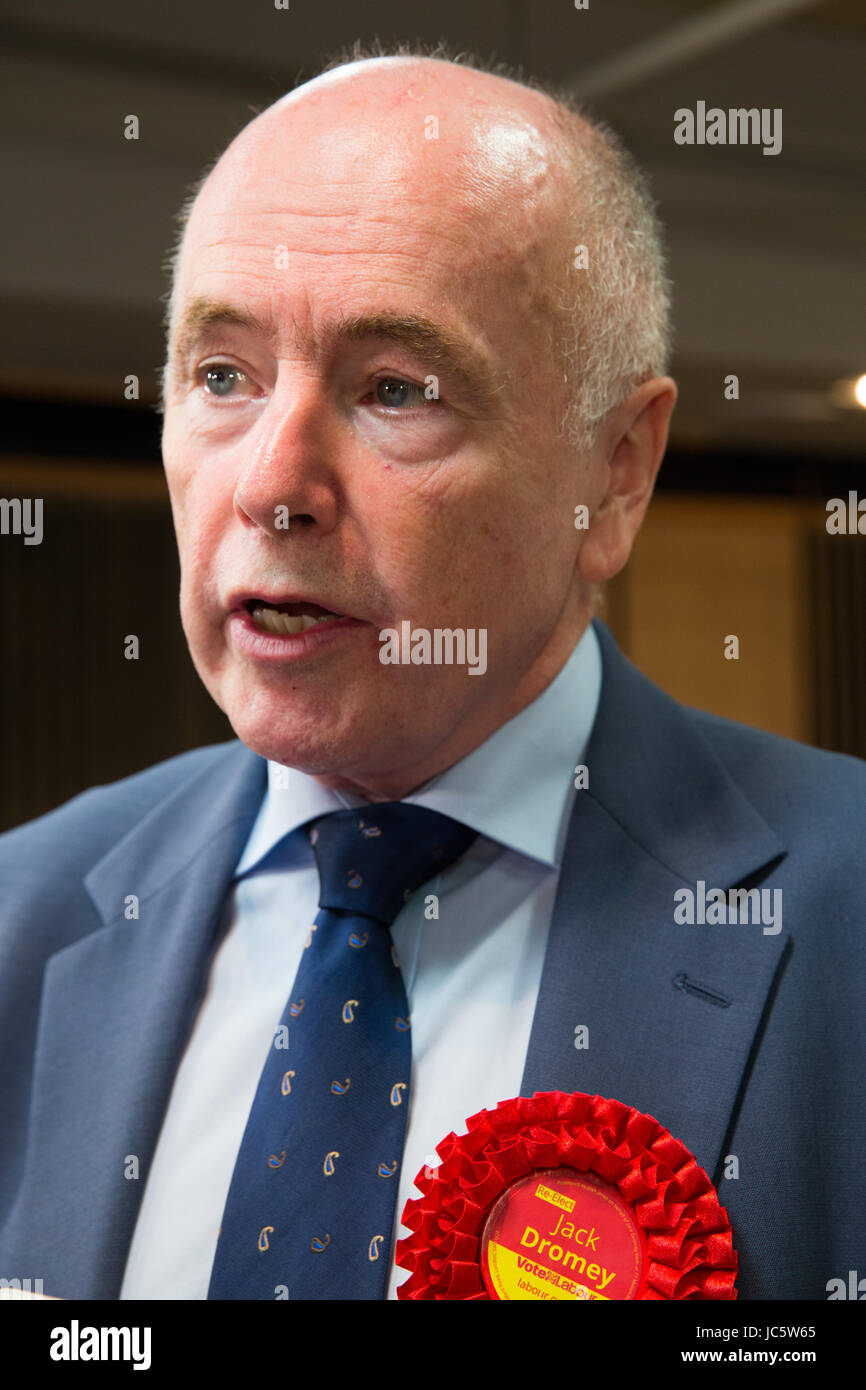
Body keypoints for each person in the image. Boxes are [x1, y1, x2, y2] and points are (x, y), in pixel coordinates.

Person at [0, 47, 863, 1303]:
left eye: (394, 391)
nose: (270, 486)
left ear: (613, 473)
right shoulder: (23, 916)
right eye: (223, 376)